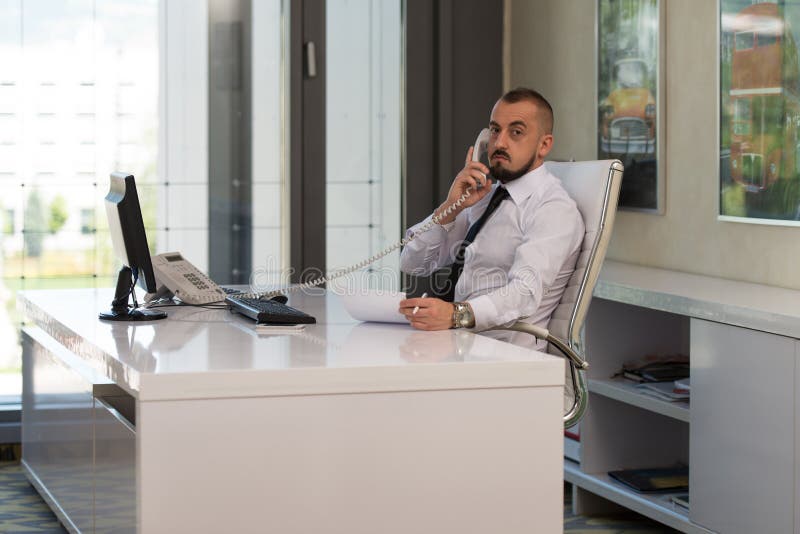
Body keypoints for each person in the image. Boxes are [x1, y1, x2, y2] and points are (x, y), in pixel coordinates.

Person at [398, 88, 584, 349]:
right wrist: (450, 208)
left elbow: (524, 293)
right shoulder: (484, 198)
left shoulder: (553, 209)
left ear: (544, 145)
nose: (499, 143)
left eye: (516, 132)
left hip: (504, 359)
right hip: (457, 348)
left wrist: (455, 314)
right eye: (495, 130)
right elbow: (412, 262)